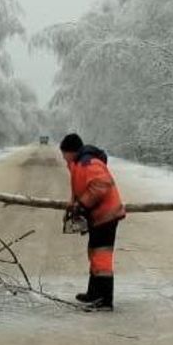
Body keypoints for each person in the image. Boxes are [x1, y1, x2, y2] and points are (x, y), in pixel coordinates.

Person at [60, 133, 126, 311]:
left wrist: (82, 205)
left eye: (64, 153)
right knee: (94, 253)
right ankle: (94, 293)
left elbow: (101, 185)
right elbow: (81, 189)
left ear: (70, 151)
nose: (63, 157)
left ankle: (104, 301)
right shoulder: (79, 163)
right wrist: (73, 207)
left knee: (101, 256)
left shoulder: (88, 163)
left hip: (107, 215)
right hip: (99, 216)